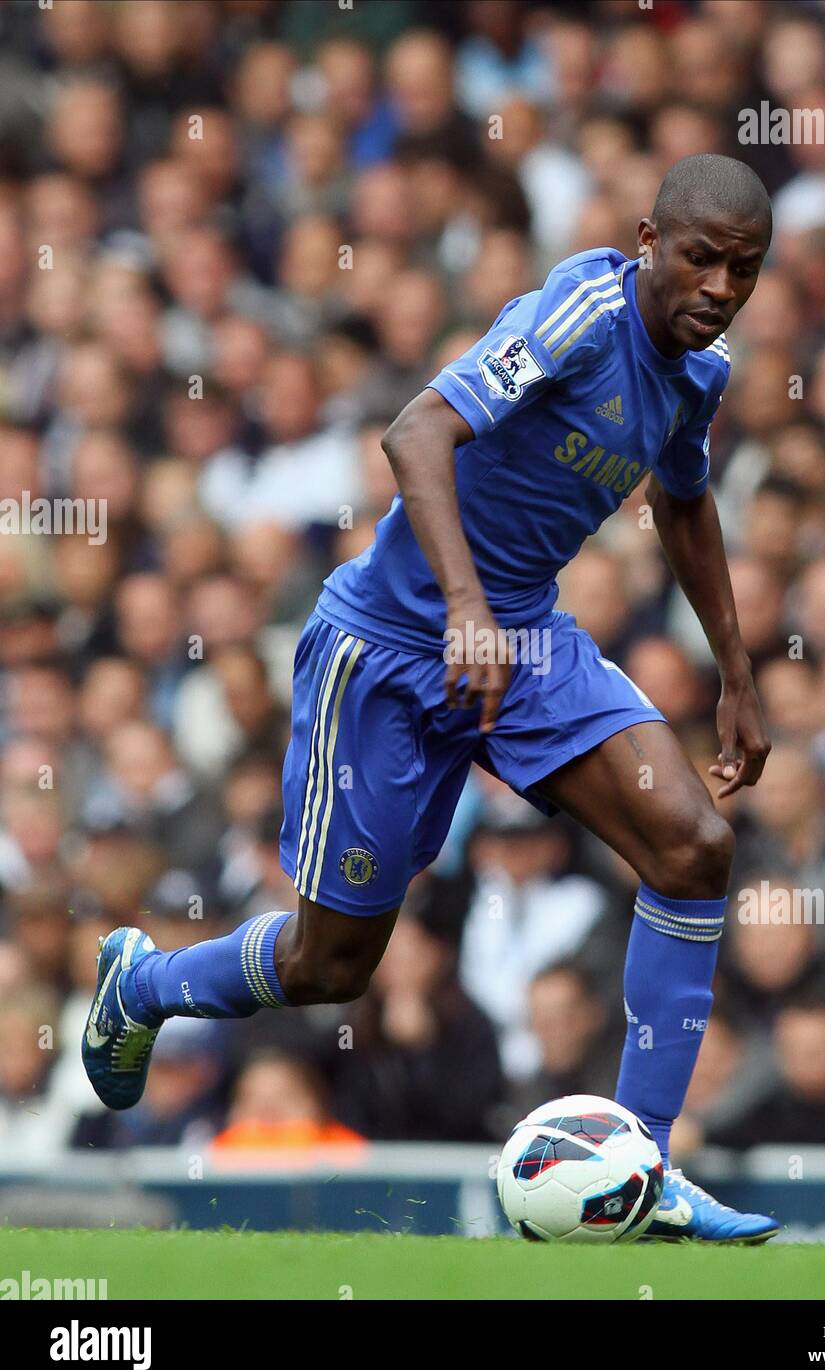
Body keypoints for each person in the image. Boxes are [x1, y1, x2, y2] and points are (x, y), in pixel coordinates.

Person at [83, 153, 778, 1242]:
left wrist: (736, 671)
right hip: (392, 646)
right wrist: (463, 606)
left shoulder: (703, 373)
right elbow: (415, 432)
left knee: (693, 845)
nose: (721, 288)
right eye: (702, 258)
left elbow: (684, 505)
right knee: (332, 966)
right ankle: (146, 984)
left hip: (524, 640)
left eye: (745, 270)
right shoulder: (581, 311)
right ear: (649, 238)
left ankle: (645, 1164)